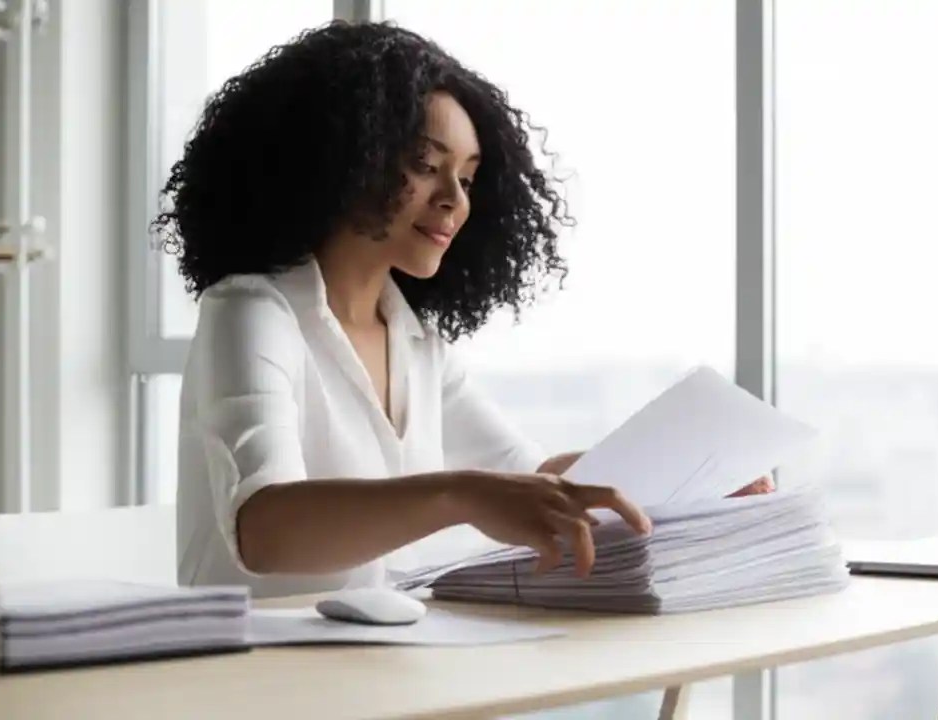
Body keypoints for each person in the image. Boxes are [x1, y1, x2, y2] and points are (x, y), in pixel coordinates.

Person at [157, 22, 772, 598]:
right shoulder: (252, 312)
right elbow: (265, 530)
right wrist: (461, 496)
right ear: (342, 160)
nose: (453, 200)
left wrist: (688, 483)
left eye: (468, 179)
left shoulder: (415, 343)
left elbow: (527, 479)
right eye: (426, 167)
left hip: (393, 682)